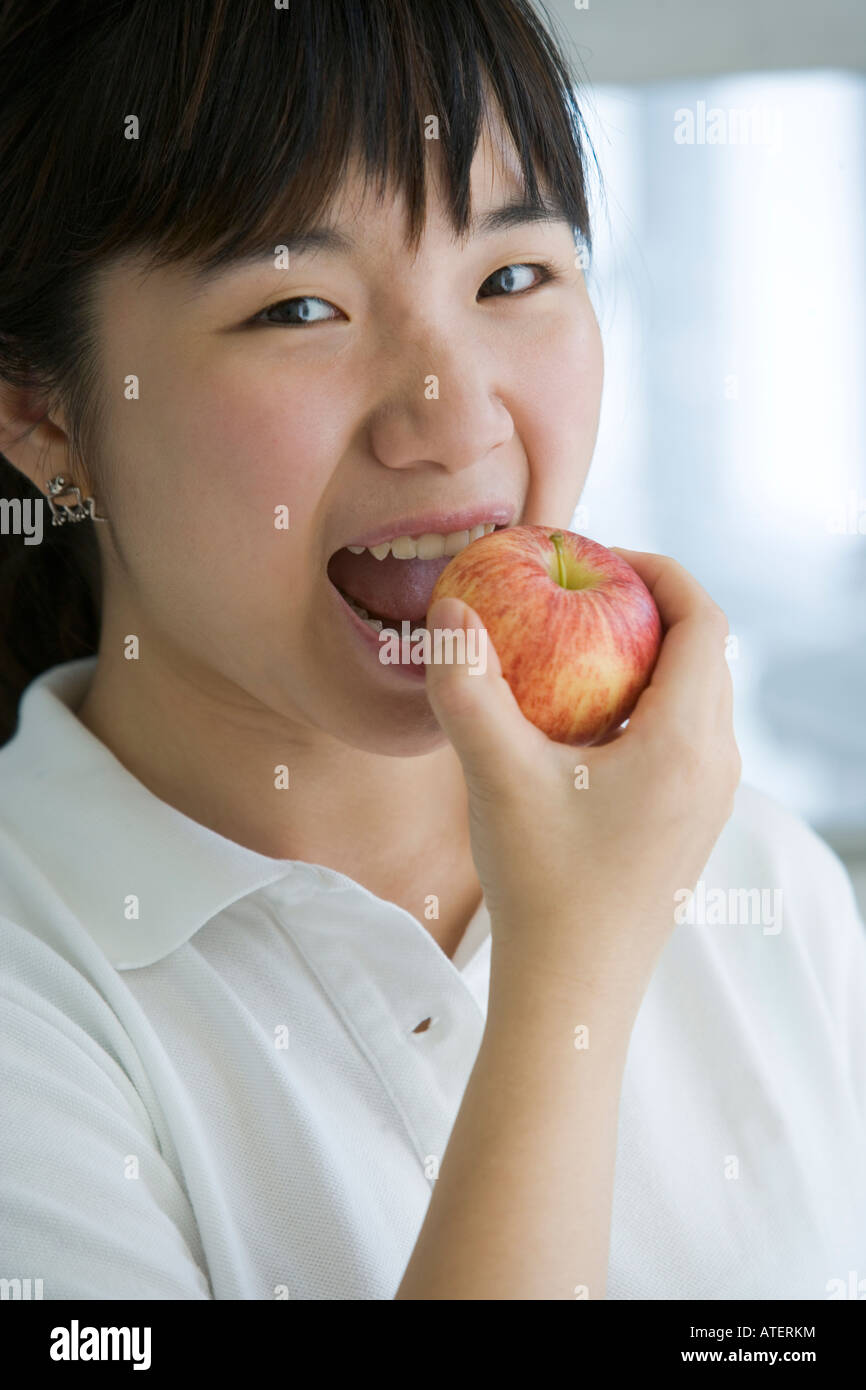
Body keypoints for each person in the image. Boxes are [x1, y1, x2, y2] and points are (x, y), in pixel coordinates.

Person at [0, 0, 864, 1301]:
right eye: (298, 306)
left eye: (511, 279)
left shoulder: (753, 875)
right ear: (40, 416)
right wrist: (568, 968)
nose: (453, 422)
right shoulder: (34, 995)